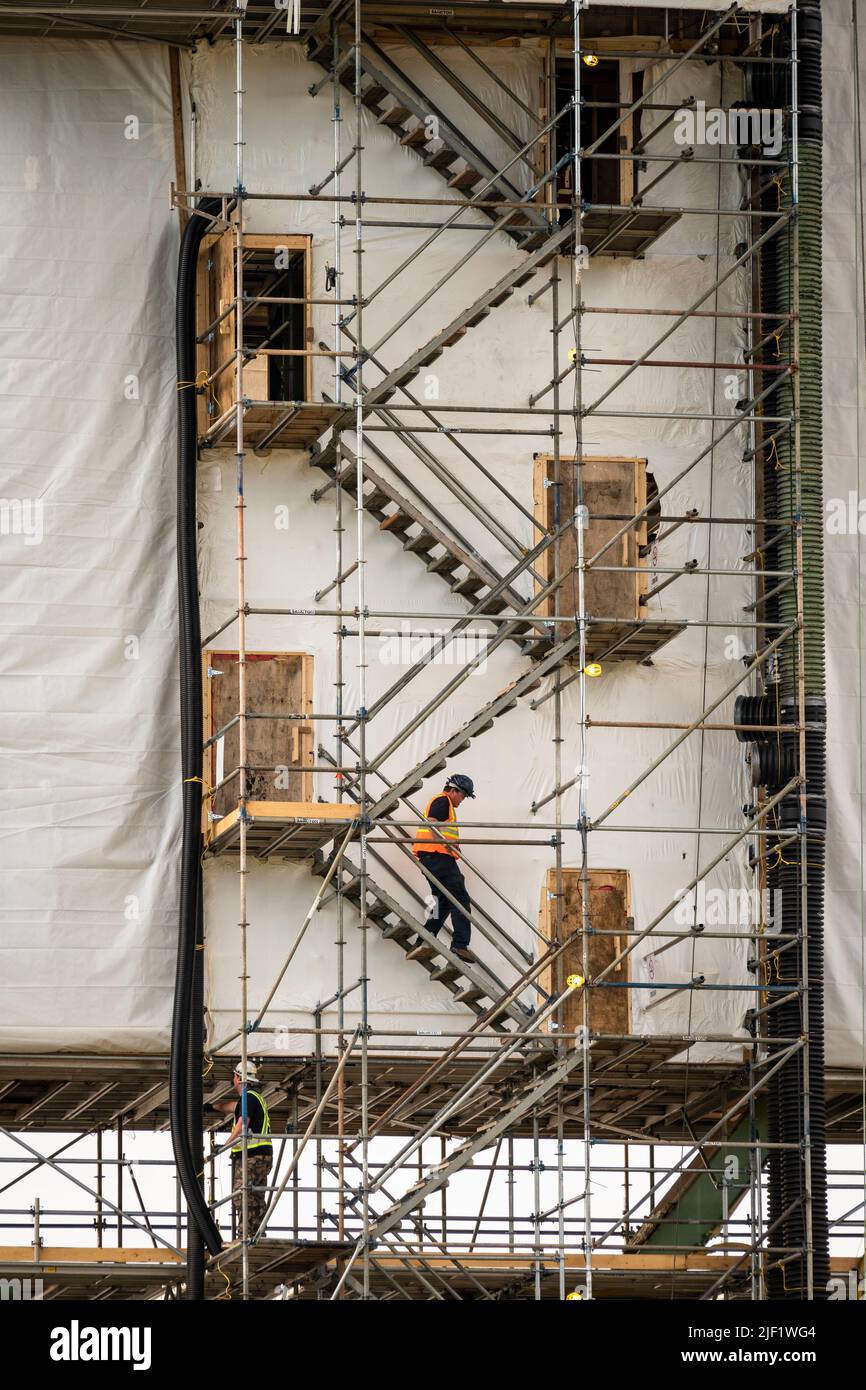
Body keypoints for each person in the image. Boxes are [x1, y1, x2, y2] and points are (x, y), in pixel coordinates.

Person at [407, 773, 475, 963]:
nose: (462, 800)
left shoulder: (445, 803)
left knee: (444, 901)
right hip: (438, 857)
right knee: (460, 898)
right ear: (454, 791)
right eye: (463, 795)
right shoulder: (442, 801)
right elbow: (432, 822)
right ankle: (460, 945)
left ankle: (424, 939)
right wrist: (444, 844)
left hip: (432, 857)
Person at [210, 1061, 273, 1241]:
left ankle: (245, 1236)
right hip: (263, 1155)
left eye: (234, 1076)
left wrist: (225, 1145)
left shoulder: (249, 1098)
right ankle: (257, 1234)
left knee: (243, 1196)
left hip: (251, 1157)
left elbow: (242, 1122)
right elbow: (231, 1107)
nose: (233, 1080)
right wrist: (212, 1107)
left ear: (239, 1078)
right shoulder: (254, 1098)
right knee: (256, 1196)